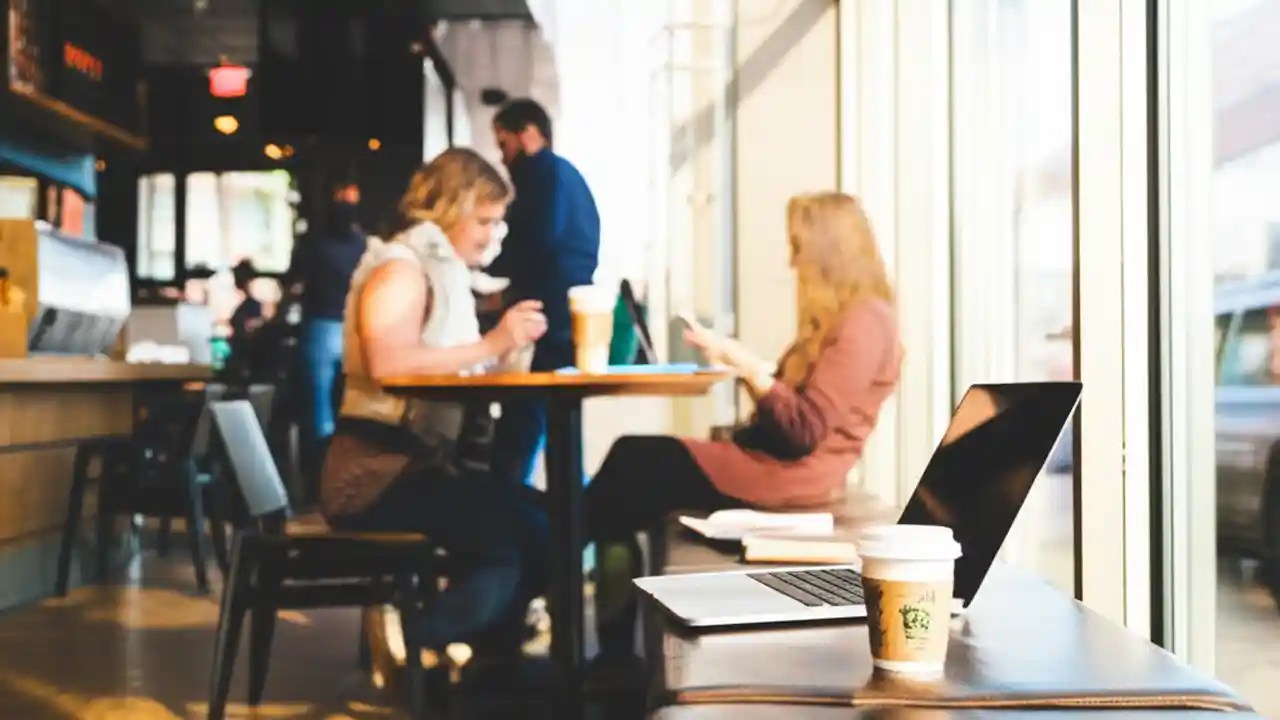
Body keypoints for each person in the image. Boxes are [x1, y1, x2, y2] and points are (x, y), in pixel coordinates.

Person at [584, 192, 903, 664]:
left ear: (826, 252)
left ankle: (555, 588)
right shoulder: (853, 320)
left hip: (788, 479)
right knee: (623, 490)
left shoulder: (864, 323)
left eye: (798, 247)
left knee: (632, 465)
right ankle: (600, 637)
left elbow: (804, 429)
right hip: (780, 469)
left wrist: (748, 368)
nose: (791, 260)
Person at [320, 148, 549, 662]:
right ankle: (416, 641)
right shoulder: (400, 269)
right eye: (485, 220)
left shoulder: (438, 273)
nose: (493, 235)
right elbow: (389, 362)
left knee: (546, 525)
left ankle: (490, 670)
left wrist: (504, 356)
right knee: (509, 541)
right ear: (451, 208)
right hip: (374, 477)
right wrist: (493, 345)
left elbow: (442, 372)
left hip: (417, 468)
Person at [486, 98, 601, 489]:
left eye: (504, 145)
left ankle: (510, 517)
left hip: (545, 319)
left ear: (528, 134)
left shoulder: (541, 173)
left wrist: (487, 275)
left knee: (520, 428)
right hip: (570, 319)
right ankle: (573, 523)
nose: (503, 158)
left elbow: (534, 240)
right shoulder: (568, 176)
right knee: (558, 432)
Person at [292, 175, 367, 468]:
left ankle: (320, 474)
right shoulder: (361, 245)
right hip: (352, 328)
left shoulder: (315, 242)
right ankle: (344, 471)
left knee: (319, 408)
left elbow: (297, 282)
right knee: (351, 405)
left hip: (320, 326)